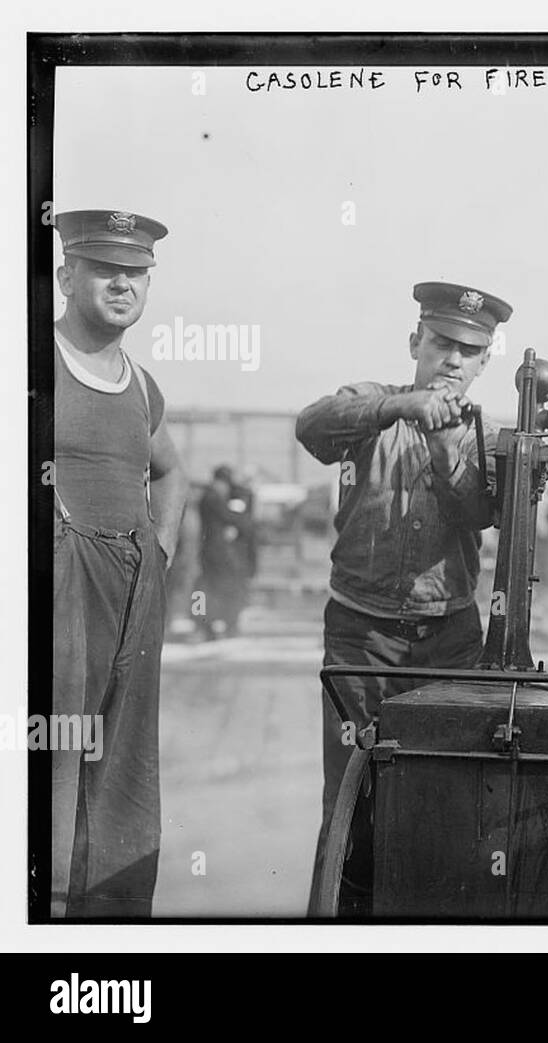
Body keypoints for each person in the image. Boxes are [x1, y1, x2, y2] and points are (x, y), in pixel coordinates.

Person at [296, 281, 508, 910]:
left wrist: (446, 443)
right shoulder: (370, 403)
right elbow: (312, 426)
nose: (452, 360)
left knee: (444, 802)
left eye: (469, 352)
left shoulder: (485, 434)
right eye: (442, 343)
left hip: (448, 642)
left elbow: (478, 511)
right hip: (362, 638)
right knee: (349, 805)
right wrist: (403, 408)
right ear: (416, 341)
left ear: (484, 362)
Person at [50, 209, 188, 917]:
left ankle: (110, 922)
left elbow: (169, 473)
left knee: (124, 769)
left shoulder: (141, 386)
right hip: (52, 601)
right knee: (46, 764)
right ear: (65, 273)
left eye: (136, 272)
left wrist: (158, 549)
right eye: (106, 268)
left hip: (132, 594)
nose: (123, 283)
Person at [196, 464, 257, 638]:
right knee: (209, 590)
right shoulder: (212, 498)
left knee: (215, 589)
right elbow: (233, 518)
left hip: (216, 552)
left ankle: (217, 625)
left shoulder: (212, 496)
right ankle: (206, 625)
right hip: (216, 553)